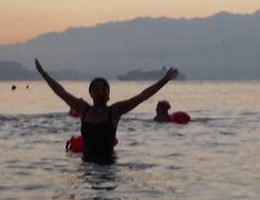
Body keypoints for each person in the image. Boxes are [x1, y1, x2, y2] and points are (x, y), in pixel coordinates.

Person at [34, 60, 178, 162]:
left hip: (109, 165)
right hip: (87, 166)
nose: (100, 92)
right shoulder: (83, 108)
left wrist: (165, 79)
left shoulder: (115, 111)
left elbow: (142, 96)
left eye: (104, 89)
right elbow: (61, 92)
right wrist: (43, 74)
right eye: (96, 89)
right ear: (90, 93)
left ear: (109, 95)